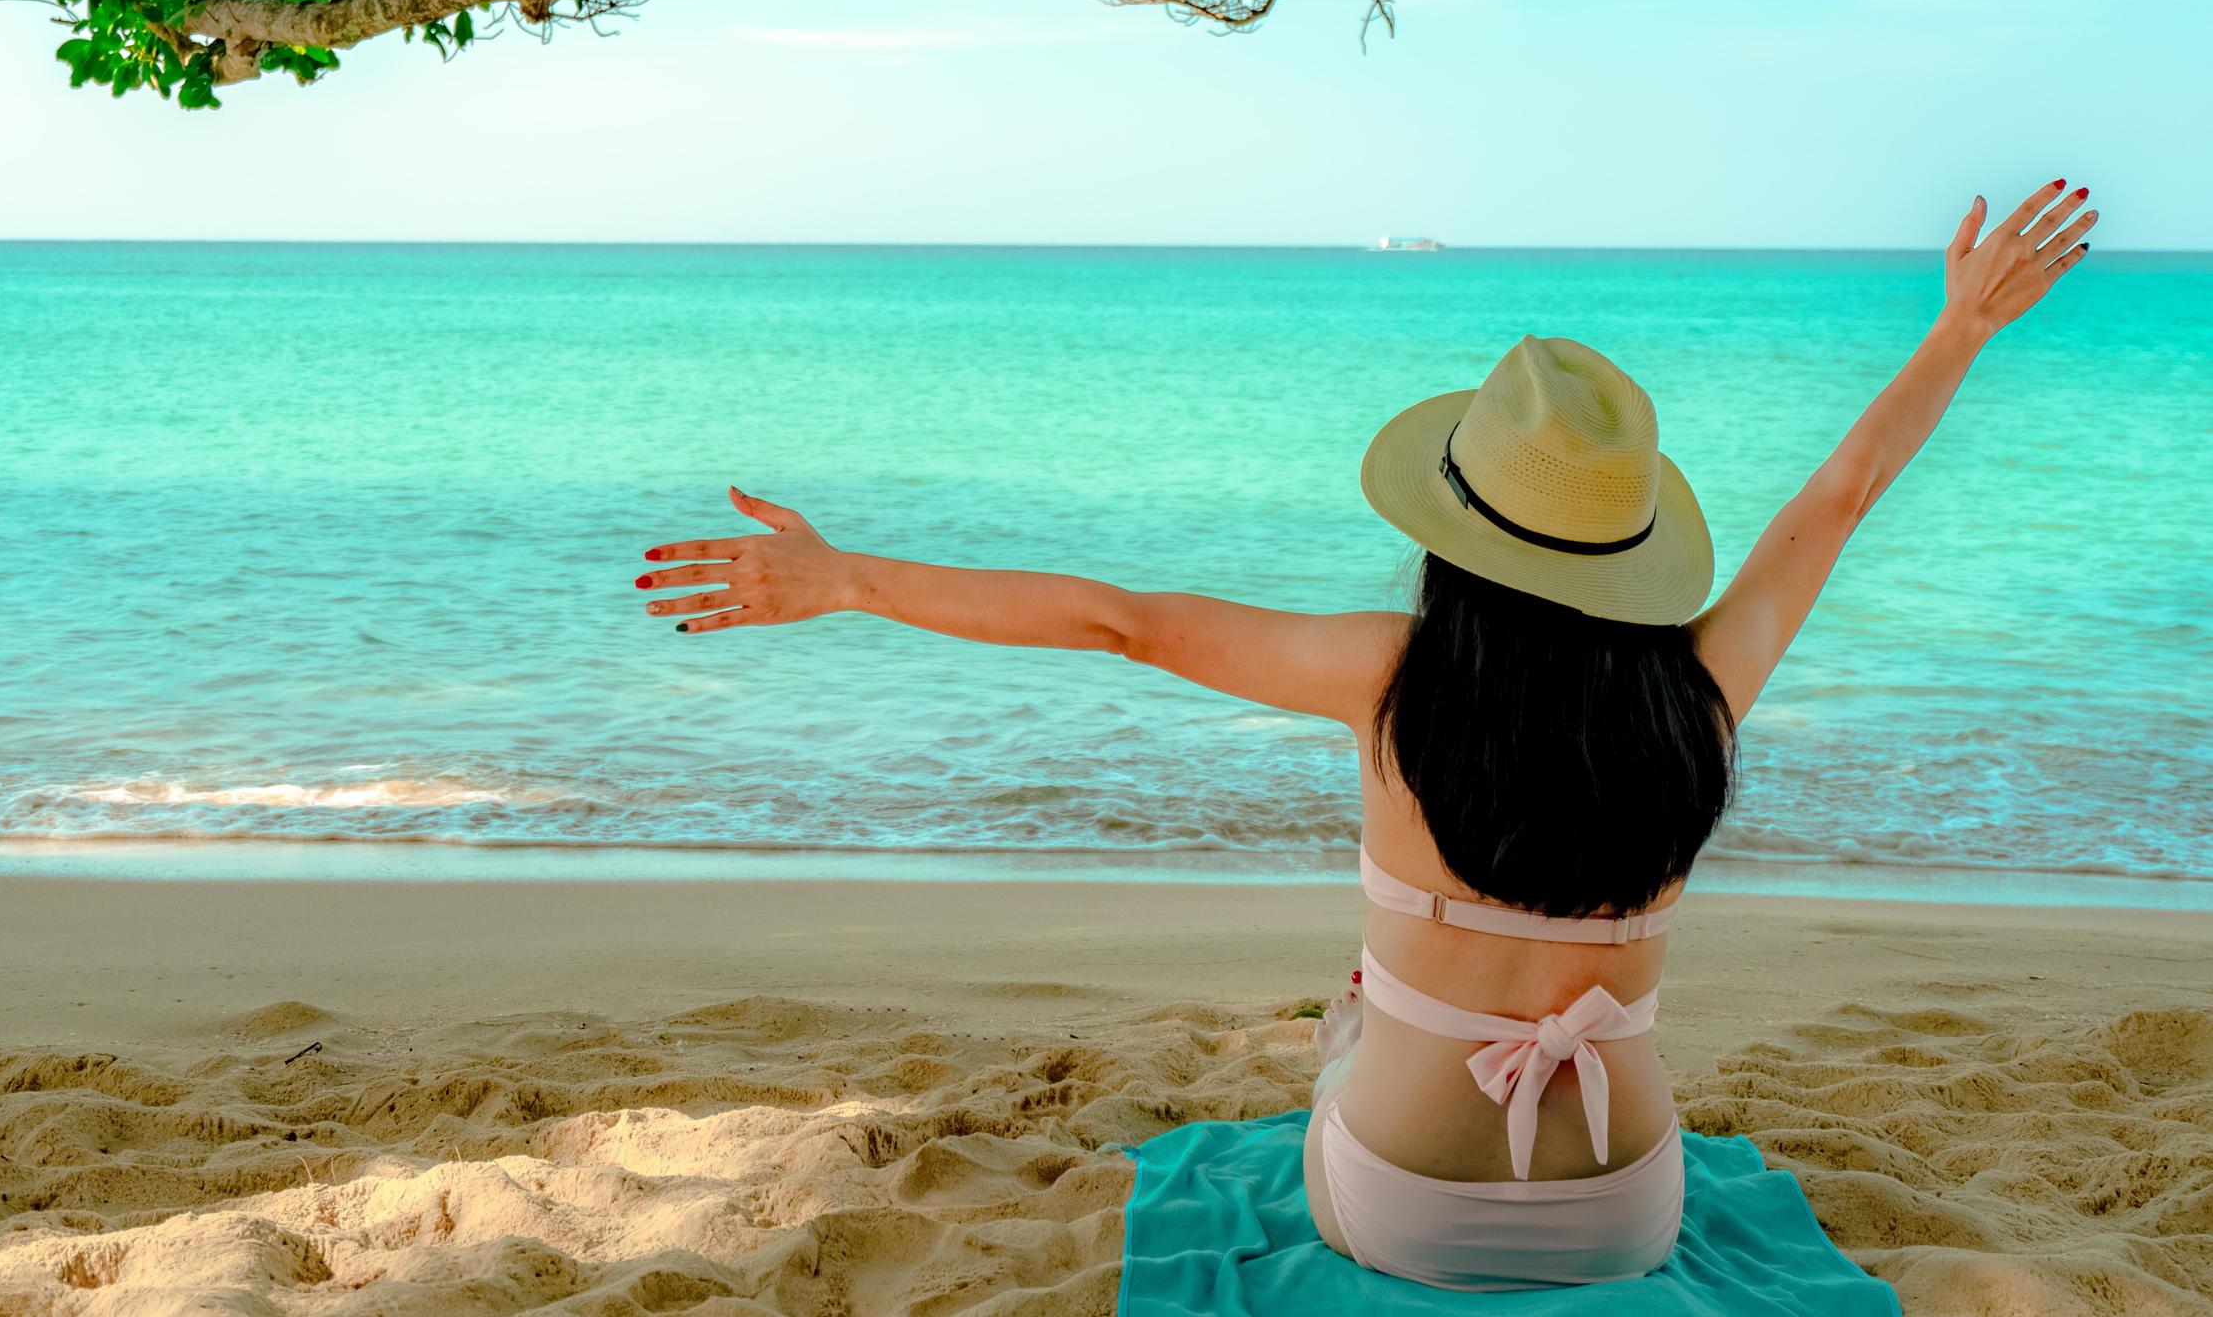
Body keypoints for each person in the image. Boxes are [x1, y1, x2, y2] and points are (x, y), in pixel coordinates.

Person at [631, 179, 2093, 1291]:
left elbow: (1119, 621)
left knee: (1351, 1025)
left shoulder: (1394, 677)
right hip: (1628, 1216)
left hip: (1402, 1205)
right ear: (1631, 546)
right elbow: (1832, 501)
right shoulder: (1699, 690)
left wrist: (847, 581)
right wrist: (1960, 324)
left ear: (1456, 532)